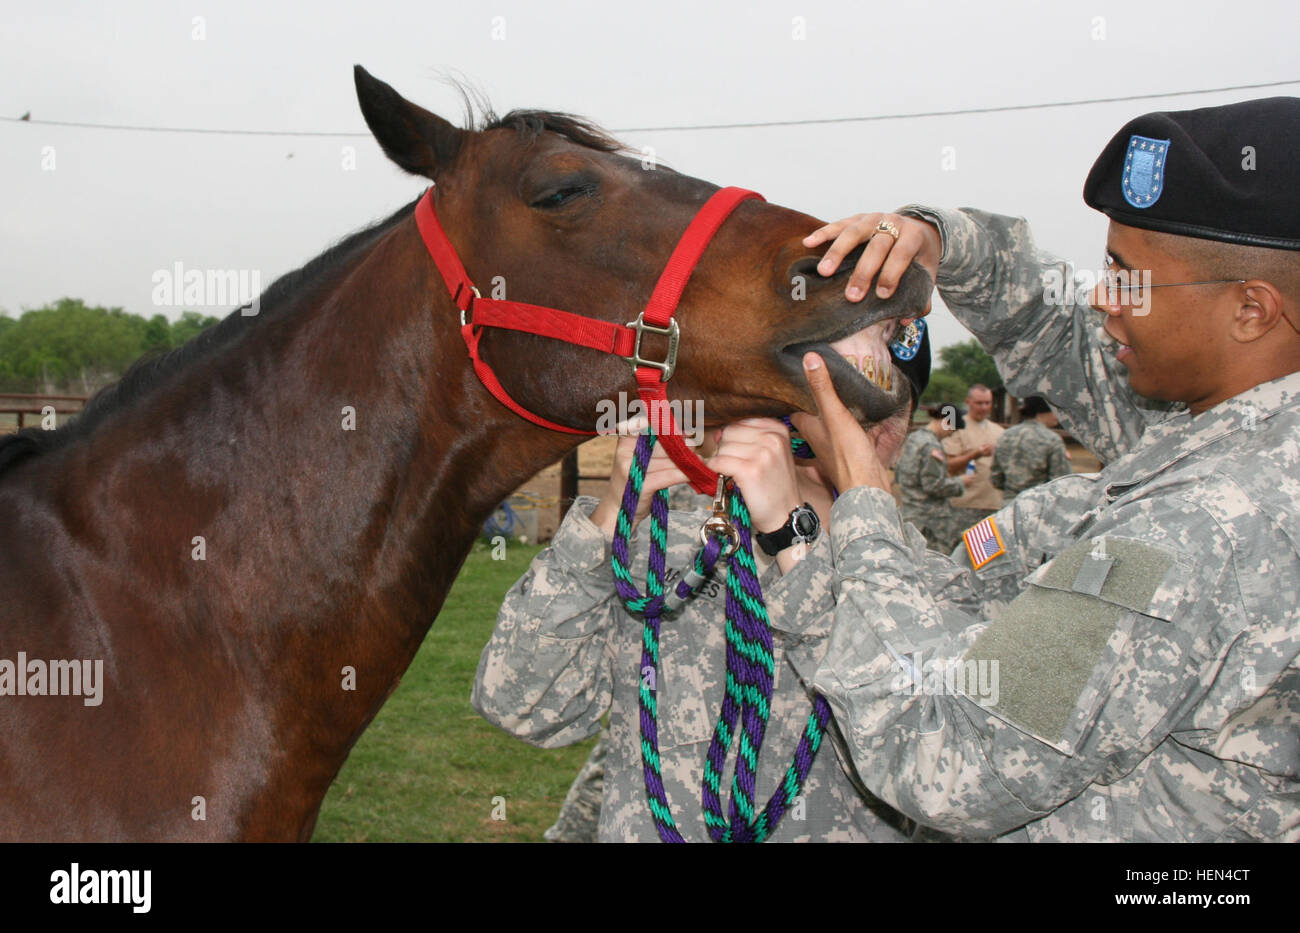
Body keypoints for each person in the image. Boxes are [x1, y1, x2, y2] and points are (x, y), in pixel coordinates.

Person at [789, 96, 1300, 841]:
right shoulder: (1227, 425)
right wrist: (938, 240)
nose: (1102, 298)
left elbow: (943, 753)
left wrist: (862, 497)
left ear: (1252, 310)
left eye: (1128, 276)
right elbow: (1052, 330)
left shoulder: (1206, 520)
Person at [472, 341, 933, 843]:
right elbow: (521, 706)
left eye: (864, 405)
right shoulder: (667, 541)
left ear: (896, 431)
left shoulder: (926, 584)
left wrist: (792, 541)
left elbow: (937, 774)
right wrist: (610, 521)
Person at [893, 403, 974, 551]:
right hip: (930, 522)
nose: (951, 434)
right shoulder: (932, 446)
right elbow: (933, 486)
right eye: (953, 429)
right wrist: (960, 482)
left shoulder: (914, 438)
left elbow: (900, 474)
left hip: (910, 515)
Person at [941, 384, 1004, 525]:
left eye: (987, 403)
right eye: (979, 403)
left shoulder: (999, 431)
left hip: (993, 505)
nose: (984, 407)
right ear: (968, 402)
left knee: (990, 541)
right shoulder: (956, 429)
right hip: (964, 504)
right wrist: (975, 454)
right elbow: (947, 466)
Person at [990, 396, 1072, 502]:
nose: (1058, 415)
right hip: (1039, 505)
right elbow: (1062, 482)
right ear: (1041, 412)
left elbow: (996, 479)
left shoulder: (1006, 436)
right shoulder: (1051, 439)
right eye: (1054, 411)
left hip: (1010, 505)